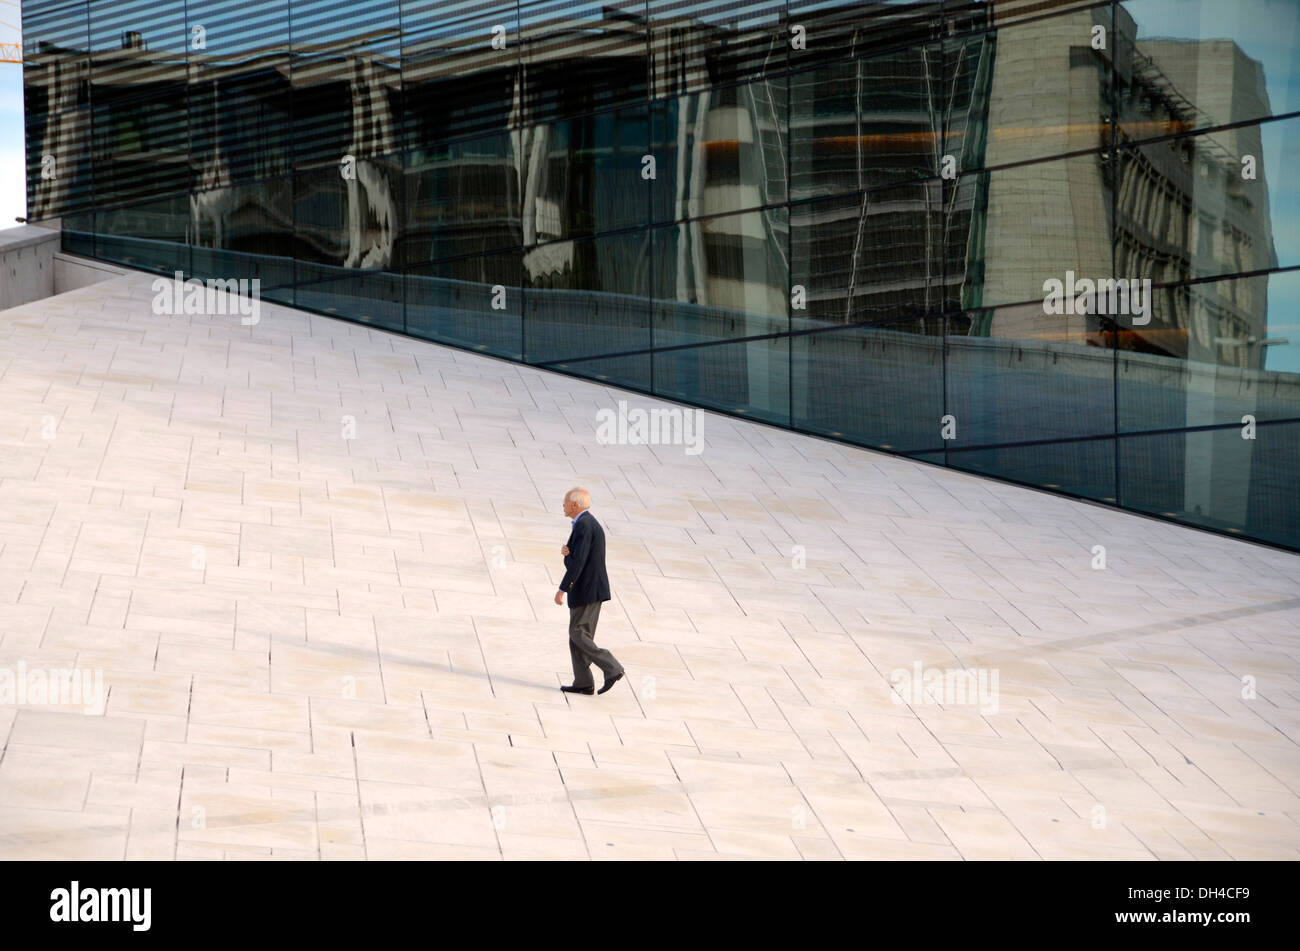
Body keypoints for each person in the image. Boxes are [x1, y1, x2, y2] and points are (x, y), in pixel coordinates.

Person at [554, 487, 624, 695]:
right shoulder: (584, 523)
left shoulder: (584, 525)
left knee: (578, 633)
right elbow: (577, 557)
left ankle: (612, 668)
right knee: (577, 635)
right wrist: (568, 554)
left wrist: (562, 588)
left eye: (566, 502)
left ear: (575, 504)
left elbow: (579, 562)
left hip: (588, 590)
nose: (563, 505)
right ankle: (583, 682)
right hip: (587, 590)